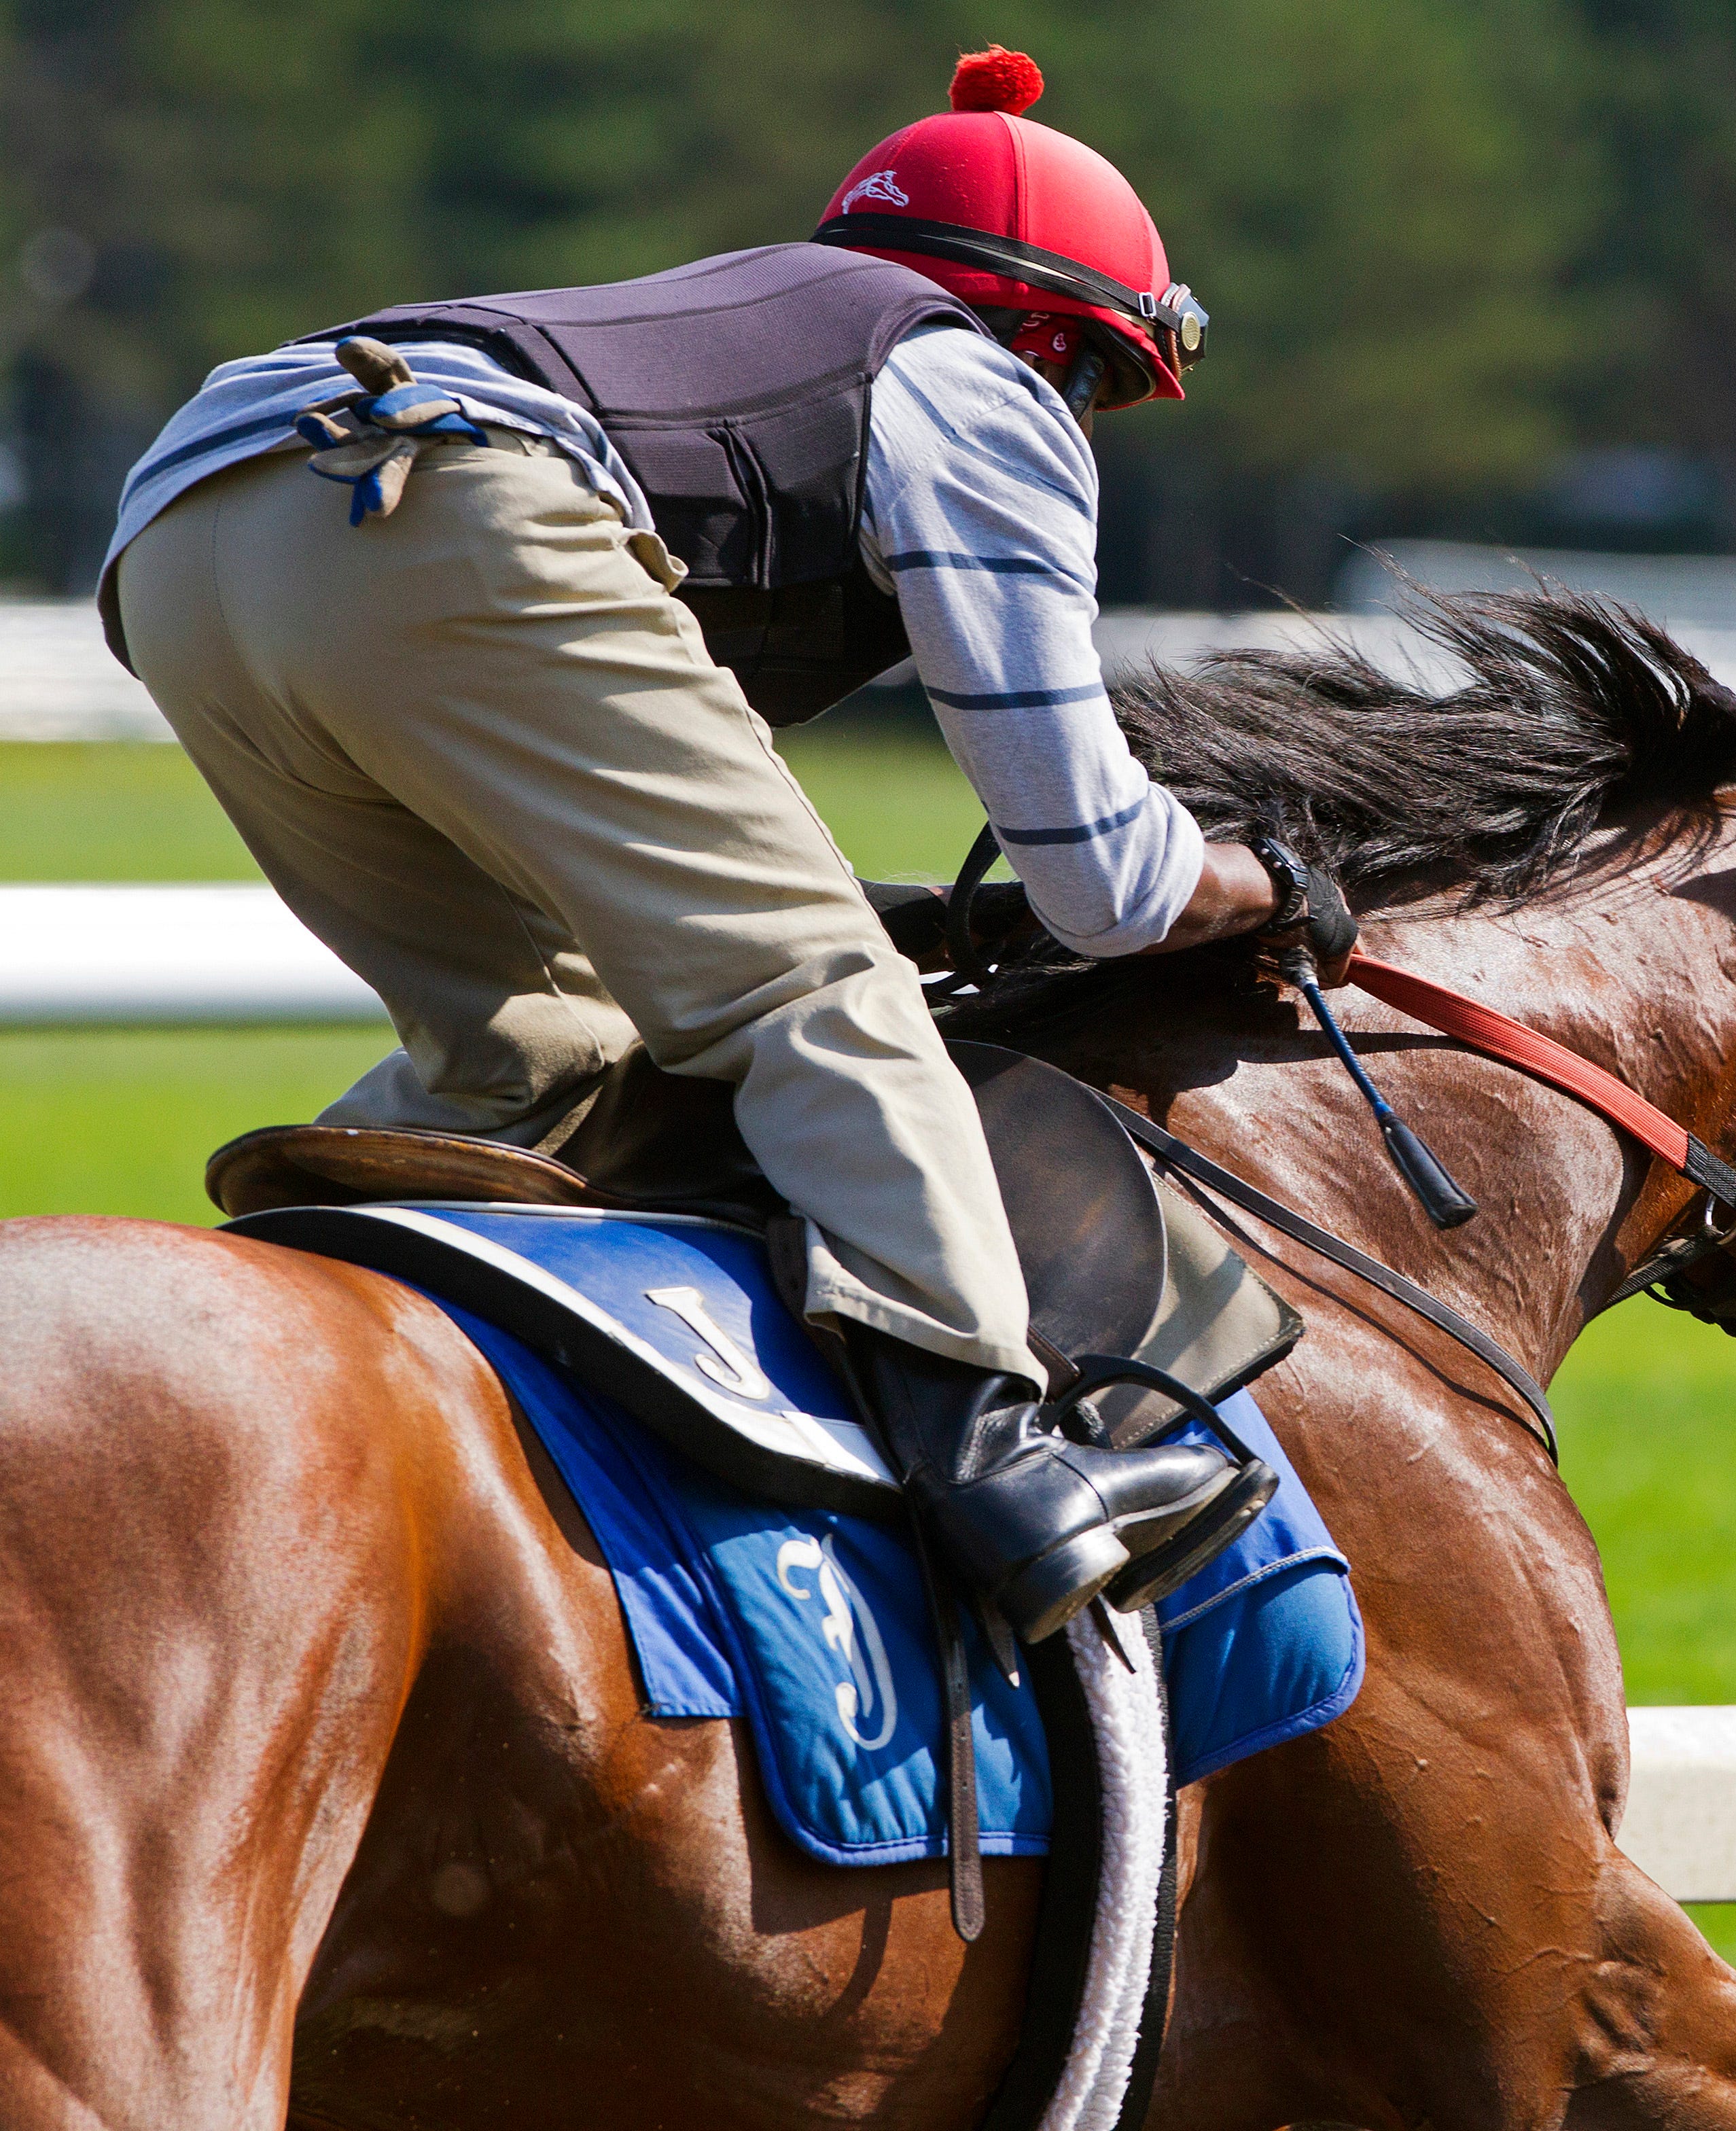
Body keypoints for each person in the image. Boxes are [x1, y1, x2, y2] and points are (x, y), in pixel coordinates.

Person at [96, 46, 1349, 1646]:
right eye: (1100, 384)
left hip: (190, 520)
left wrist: (926, 917)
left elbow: (648, 853)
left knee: (537, 1045)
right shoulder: (973, 381)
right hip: (439, 494)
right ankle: (1003, 1465)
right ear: (1052, 335)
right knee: (814, 1004)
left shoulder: (768, 344)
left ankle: (260, 1334)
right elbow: (1106, 881)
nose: (1085, 422)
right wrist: (1267, 878)